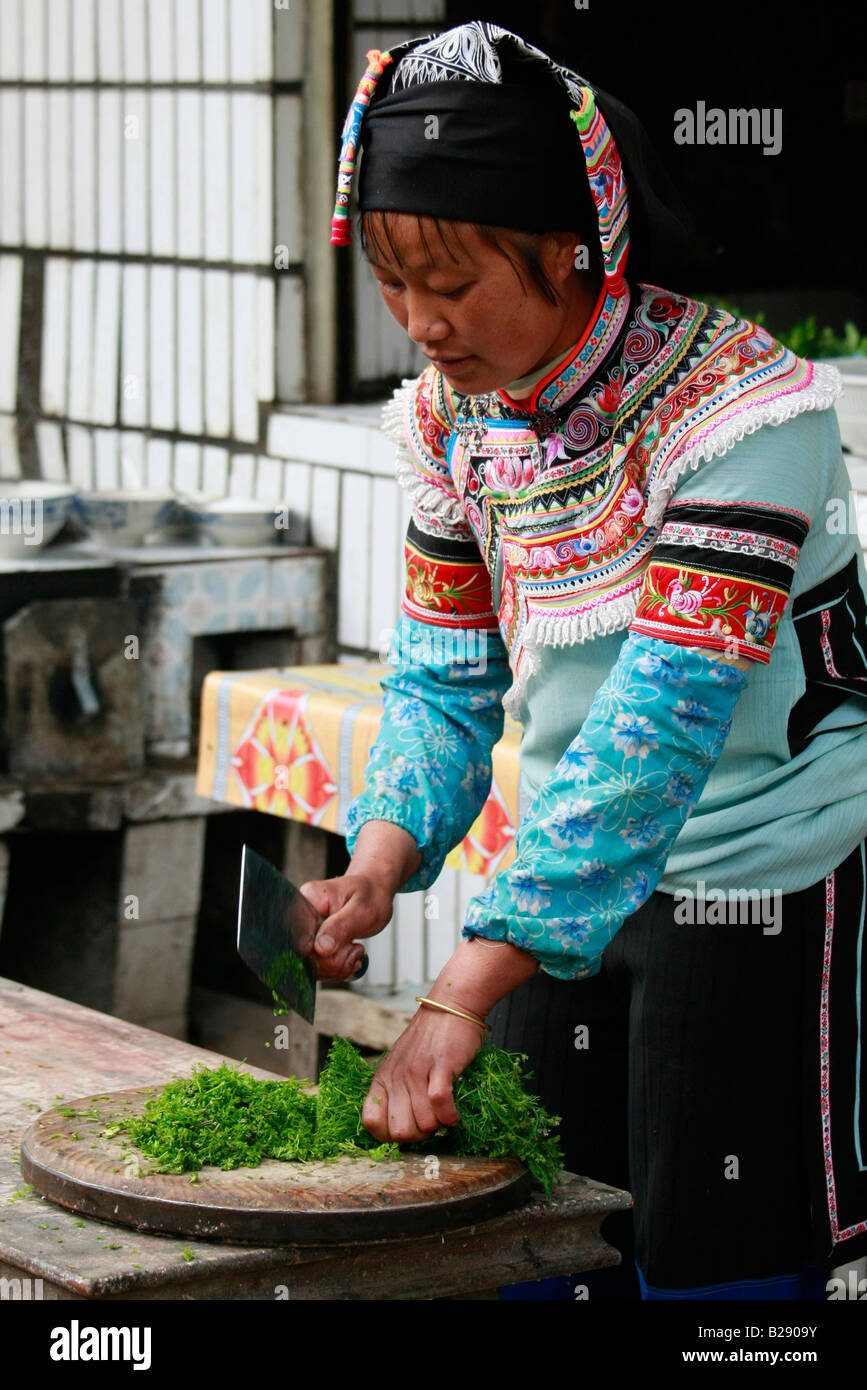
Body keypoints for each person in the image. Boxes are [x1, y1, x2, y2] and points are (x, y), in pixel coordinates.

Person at [301, 20, 867, 1299]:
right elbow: (445, 678)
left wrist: (460, 985)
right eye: (395, 282)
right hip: (563, 880)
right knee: (545, 1237)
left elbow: (657, 731)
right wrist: (380, 861)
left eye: (454, 283)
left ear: (575, 245)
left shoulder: (747, 416)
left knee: (718, 1264)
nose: (421, 324)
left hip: (753, 874)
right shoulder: (453, 426)